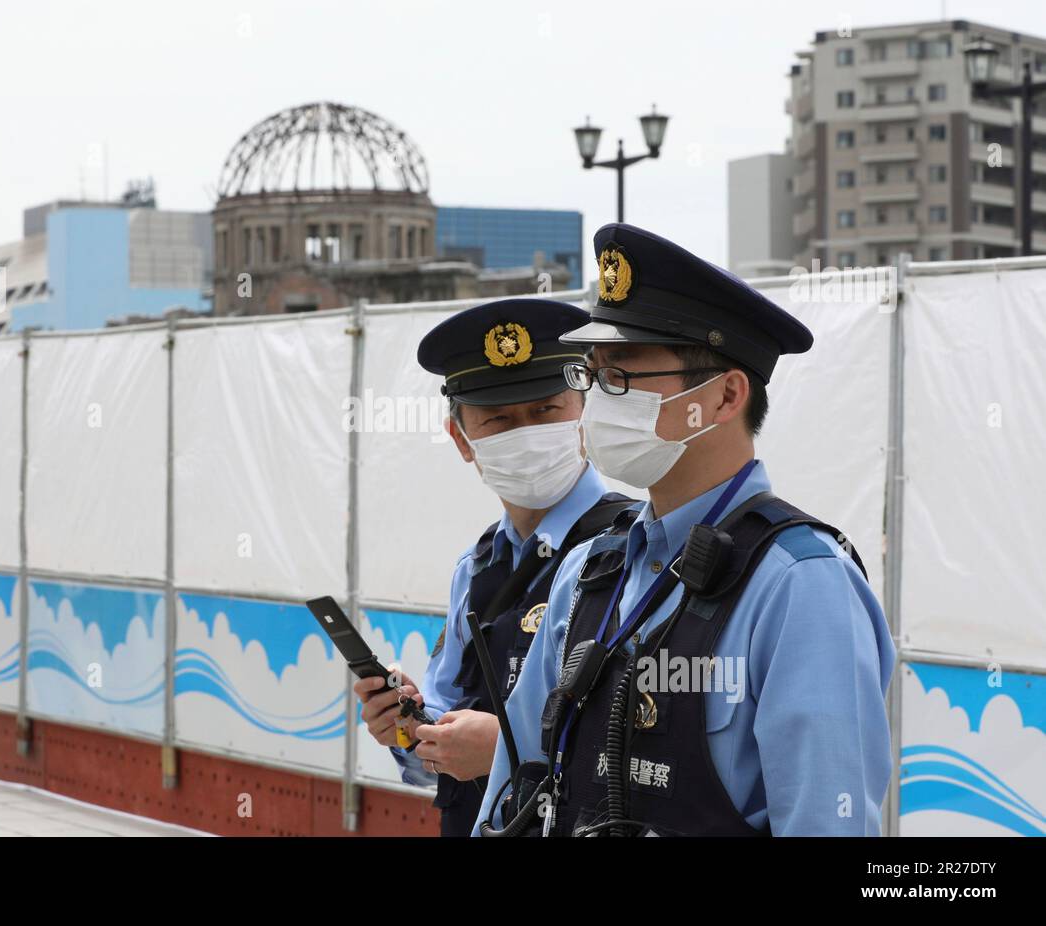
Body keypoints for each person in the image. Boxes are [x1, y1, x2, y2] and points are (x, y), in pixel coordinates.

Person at [473, 224, 896, 837]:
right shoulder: (590, 570)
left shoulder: (801, 586)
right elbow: (516, 781)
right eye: (593, 377)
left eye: (623, 378)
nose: (599, 402)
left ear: (724, 397)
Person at [353, 297, 638, 837]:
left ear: (585, 415)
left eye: (545, 411)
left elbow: (656, 747)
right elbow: (440, 724)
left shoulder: (637, 549)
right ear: (463, 439)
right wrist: (410, 730)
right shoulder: (479, 566)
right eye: (500, 420)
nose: (526, 434)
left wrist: (508, 751)